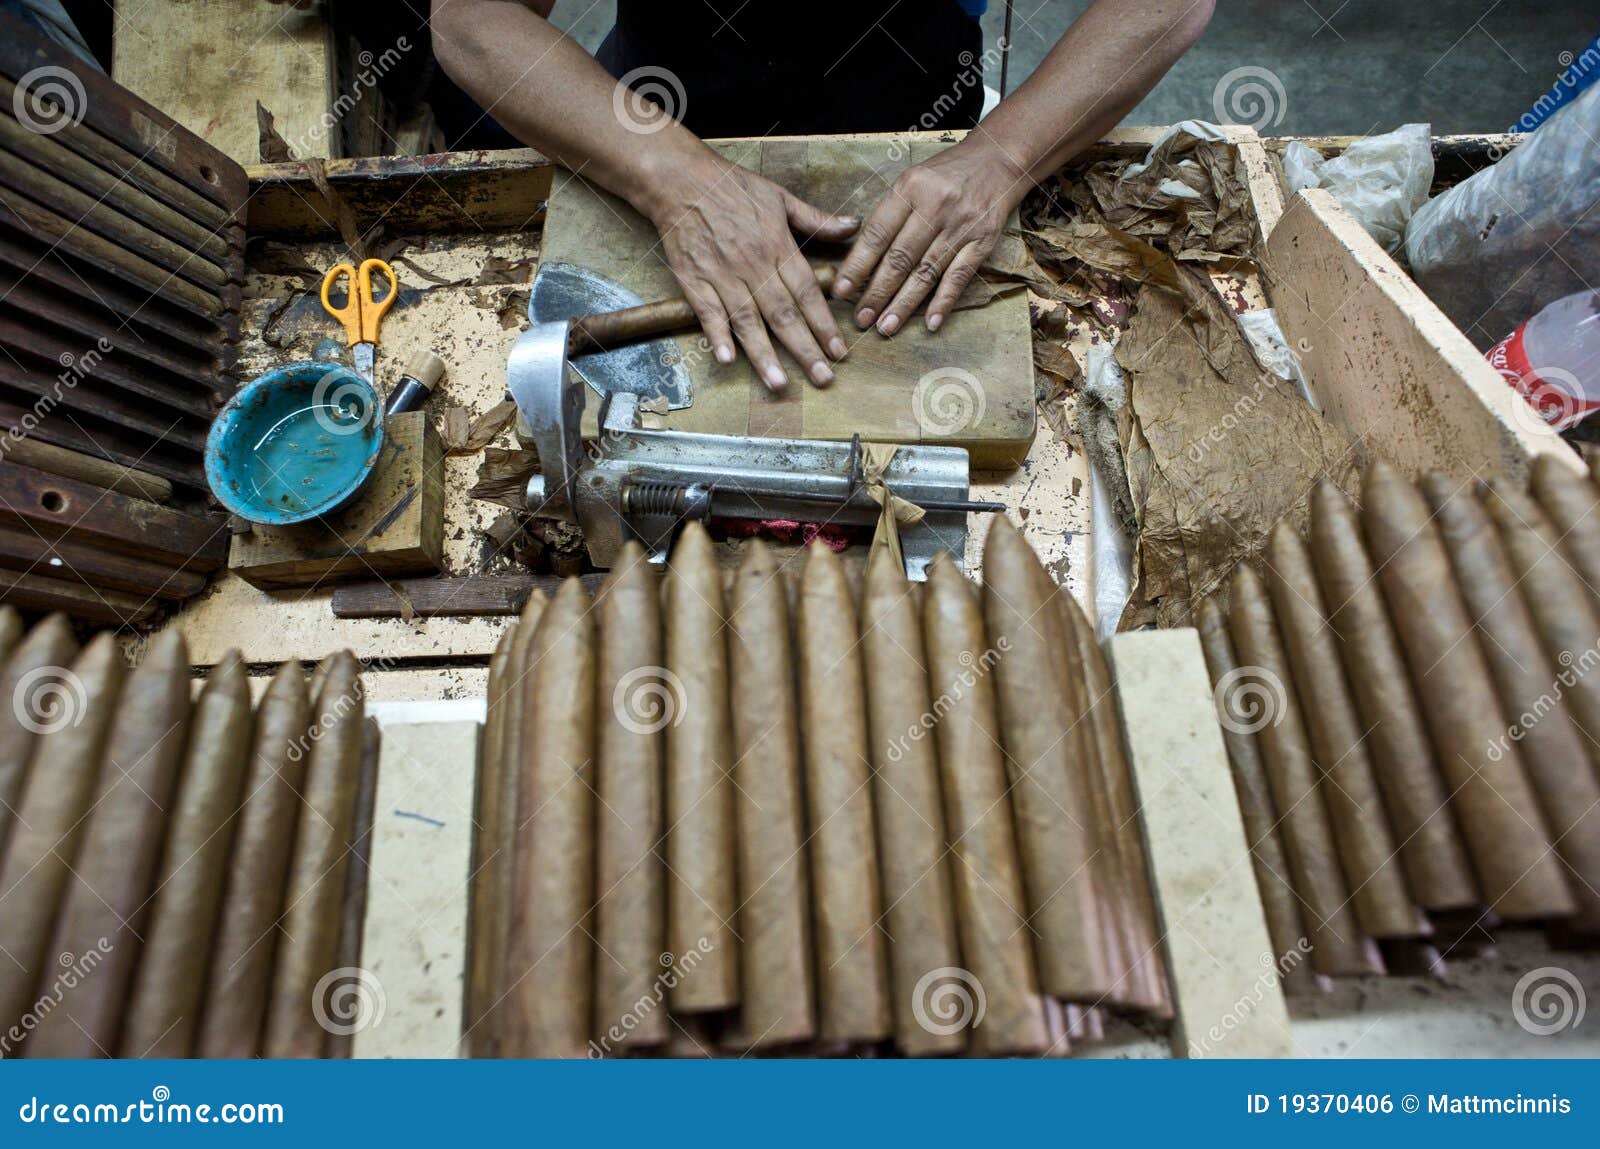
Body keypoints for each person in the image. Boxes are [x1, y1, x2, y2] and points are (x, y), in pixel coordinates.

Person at [431, 1, 1215, 390]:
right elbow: (472, 18)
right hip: (647, 123)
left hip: (917, 129)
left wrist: (1003, 158)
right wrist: (676, 181)